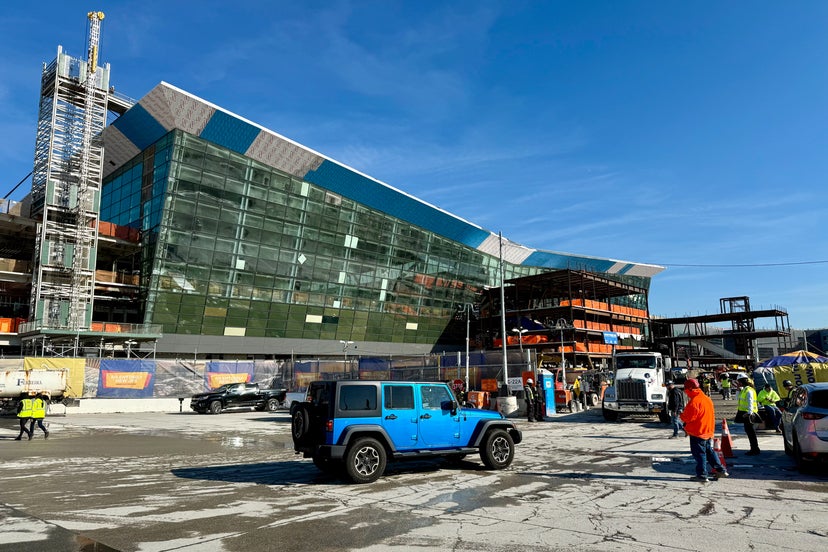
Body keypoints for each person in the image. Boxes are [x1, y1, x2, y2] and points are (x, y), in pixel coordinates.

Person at [679, 378, 728, 482]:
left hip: (698, 431)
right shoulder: (706, 399)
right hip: (707, 430)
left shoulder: (695, 401)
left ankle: (702, 475)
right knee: (709, 451)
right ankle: (721, 470)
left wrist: (681, 415)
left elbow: (687, 417)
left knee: (700, 453)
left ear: (690, 389)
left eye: (686, 390)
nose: (686, 392)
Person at [736, 376, 760, 455]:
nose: (737, 383)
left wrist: (749, 413)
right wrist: (738, 391)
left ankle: (754, 449)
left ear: (742, 382)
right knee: (749, 432)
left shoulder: (748, 390)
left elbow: (750, 402)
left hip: (748, 414)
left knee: (751, 432)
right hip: (745, 413)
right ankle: (754, 448)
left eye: (738, 382)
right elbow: (737, 399)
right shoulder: (744, 390)